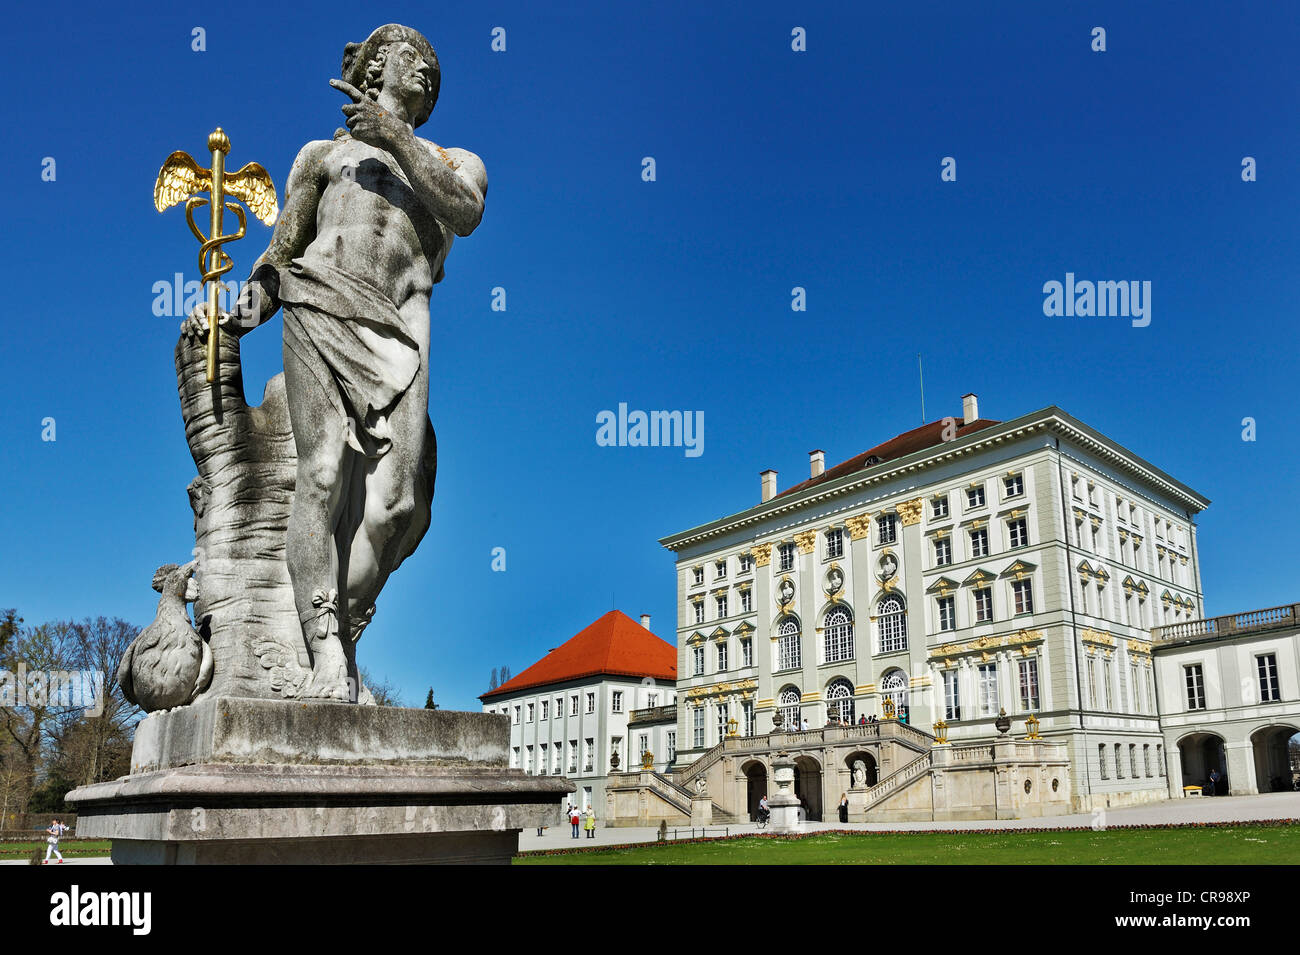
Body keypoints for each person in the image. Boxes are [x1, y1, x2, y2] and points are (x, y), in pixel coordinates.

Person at [195, 24, 489, 700]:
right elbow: (281, 253)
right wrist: (243, 308)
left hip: (401, 330)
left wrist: (393, 136)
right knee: (321, 476)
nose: (429, 77)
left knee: (400, 507)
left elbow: (465, 212)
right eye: (419, 61)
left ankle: (346, 626)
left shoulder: (453, 159)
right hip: (318, 306)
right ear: (380, 63)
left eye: (436, 75)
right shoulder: (321, 158)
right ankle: (324, 645)